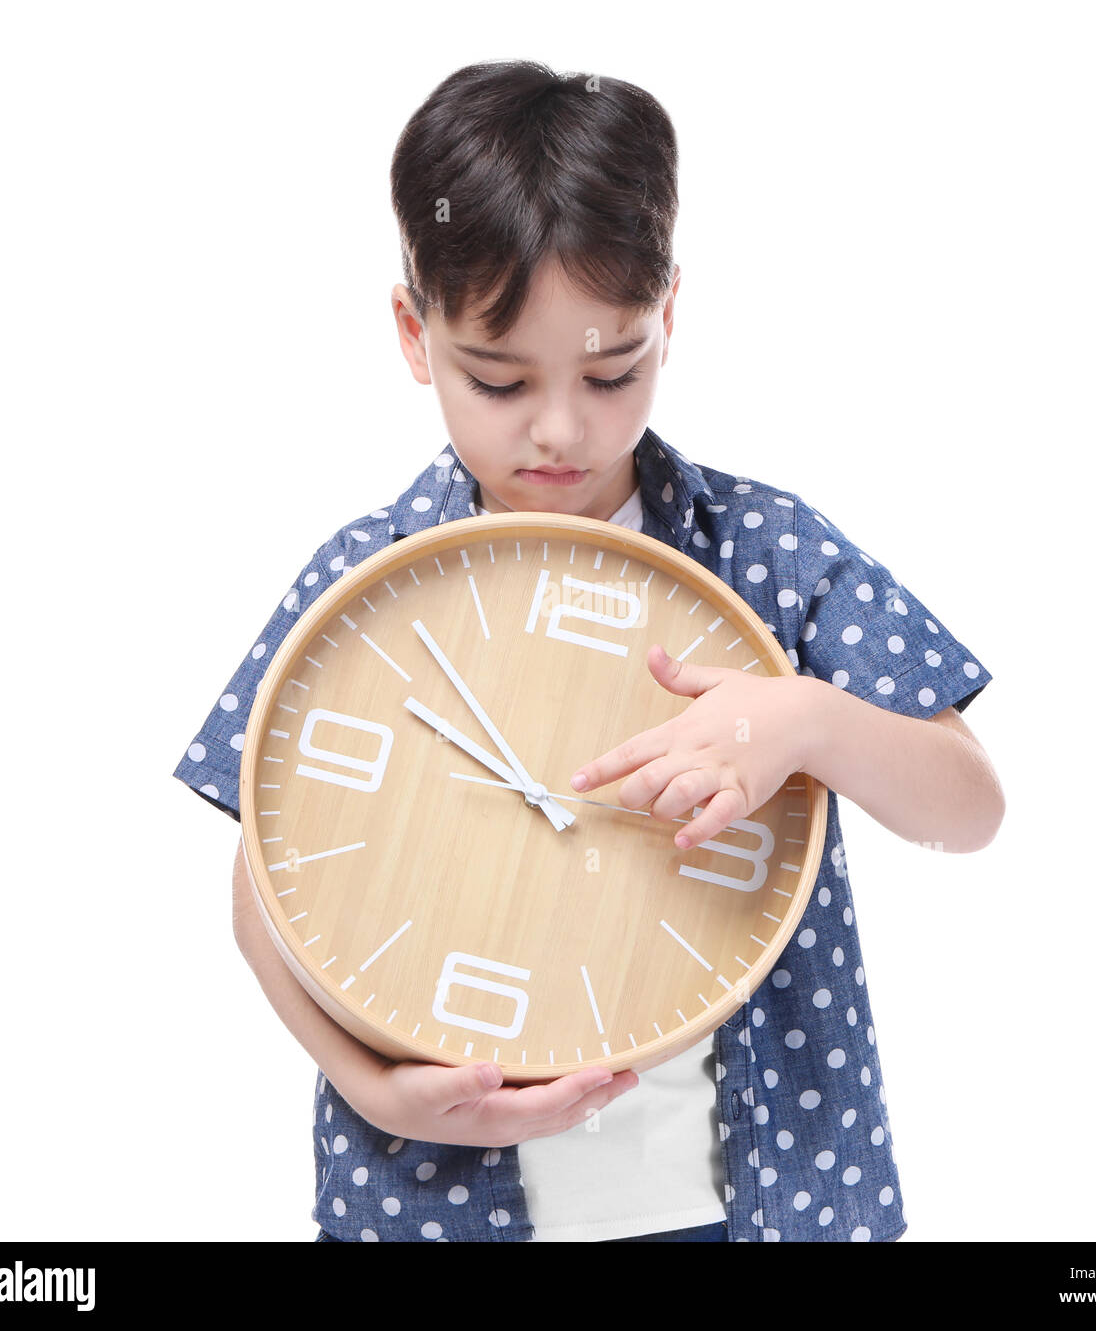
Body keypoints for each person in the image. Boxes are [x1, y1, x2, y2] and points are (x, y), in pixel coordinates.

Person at [173, 60, 1003, 1243]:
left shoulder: (762, 550)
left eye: (612, 371)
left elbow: (966, 808)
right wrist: (365, 1082)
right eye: (497, 379)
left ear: (671, 312)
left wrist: (808, 720)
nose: (559, 427)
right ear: (415, 332)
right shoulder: (366, 586)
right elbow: (269, 888)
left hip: (757, 1194)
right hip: (441, 1193)